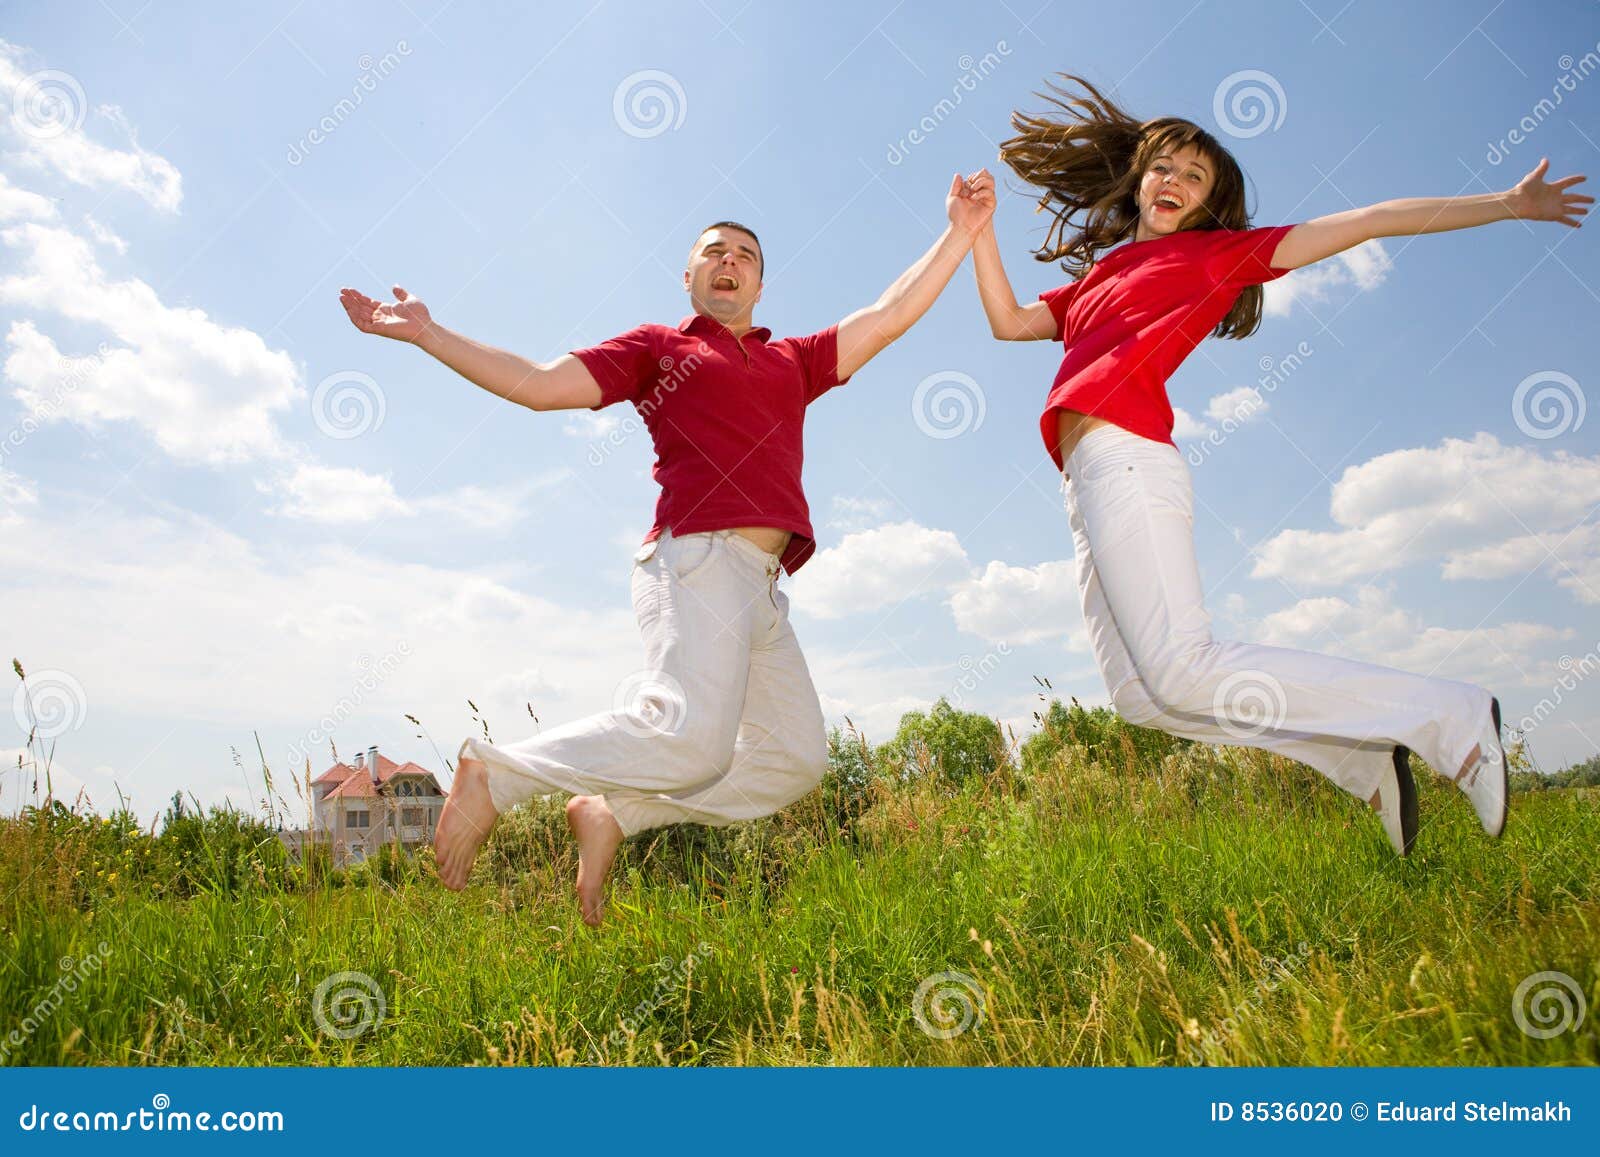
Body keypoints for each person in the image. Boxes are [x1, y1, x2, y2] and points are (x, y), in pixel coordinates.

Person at [338, 174, 995, 922]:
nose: (730, 260)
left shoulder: (794, 362)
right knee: (690, 737)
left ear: (759, 280)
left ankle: (617, 812)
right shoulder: (661, 349)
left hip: (762, 587)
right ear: (689, 277)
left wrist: (961, 231)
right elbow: (539, 383)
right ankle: (496, 775)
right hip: (696, 561)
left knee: (795, 758)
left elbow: (889, 315)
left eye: (745, 254)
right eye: (714, 251)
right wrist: (431, 333)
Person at [968, 74, 1589, 856]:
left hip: (1130, 460)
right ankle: (1358, 758)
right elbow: (1009, 321)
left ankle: (1453, 717)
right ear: (1139, 175)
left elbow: (1367, 222)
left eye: (1196, 177)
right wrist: (976, 231)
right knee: (1141, 697)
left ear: (1206, 203)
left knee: (1185, 669)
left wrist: (1505, 203)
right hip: (1084, 477)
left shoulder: (1222, 255)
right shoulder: (1100, 275)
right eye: (1166, 166)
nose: (1177, 182)